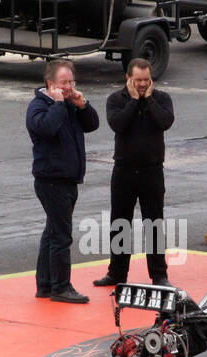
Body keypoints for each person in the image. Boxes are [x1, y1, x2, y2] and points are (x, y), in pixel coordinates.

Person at [93, 58, 175, 288]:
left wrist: (147, 99)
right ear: (128, 78)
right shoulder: (116, 100)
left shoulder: (161, 99)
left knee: (154, 223)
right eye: (138, 80)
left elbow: (165, 121)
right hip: (124, 171)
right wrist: (133, 101)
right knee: (120, 223)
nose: (142, 84)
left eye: (146, 80)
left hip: (152, 171)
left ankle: (159, 274)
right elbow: (118, 124)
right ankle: (117, 273)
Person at [27, 59, 100, 303]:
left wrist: (83, 105)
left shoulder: (70, 105)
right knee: (61, 235)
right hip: (51, 180)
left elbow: (92, 125)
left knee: (52, 232)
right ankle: (61, 287)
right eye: (63, 82)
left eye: (71, 82)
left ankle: (46, 284)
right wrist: (59, 103)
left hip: (67, 179)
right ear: (50, 84)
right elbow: (46, 128)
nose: (69, 87)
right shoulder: (38, 107)